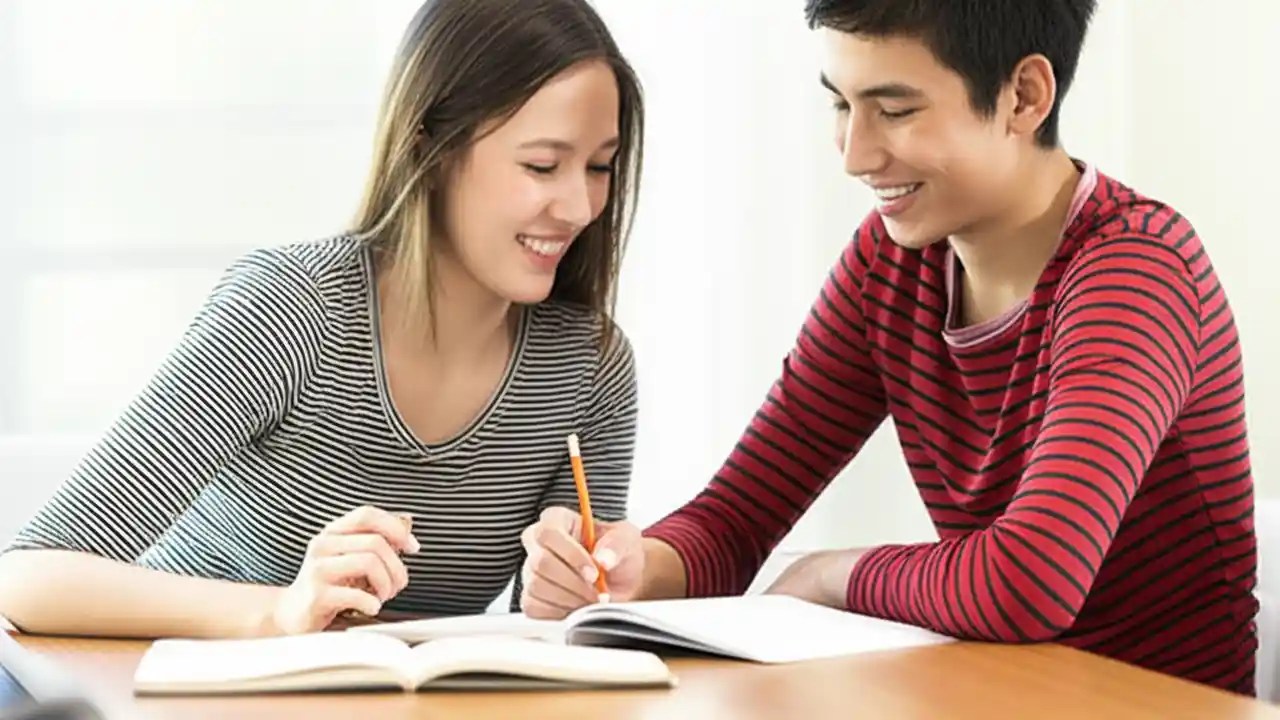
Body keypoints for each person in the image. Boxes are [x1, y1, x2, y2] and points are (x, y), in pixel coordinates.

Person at [519, 0, 1258, 696]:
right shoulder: (893, 264)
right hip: (991, 697)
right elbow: (737, 519)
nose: (854, 154)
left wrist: (828, 574)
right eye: (841, 105)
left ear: (1025, 97)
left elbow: (1029, 582)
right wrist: (636, 568)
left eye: (895, 111)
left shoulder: (1136, 271)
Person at [0, 0, 644, 639]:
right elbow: (27, 579)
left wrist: (571, 600)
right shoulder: (293, 308)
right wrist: (279, 613)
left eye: (599, 167)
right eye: (541, 166)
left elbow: (544, 643)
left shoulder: (590, 369)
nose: (581, 206)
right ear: (431, 147)